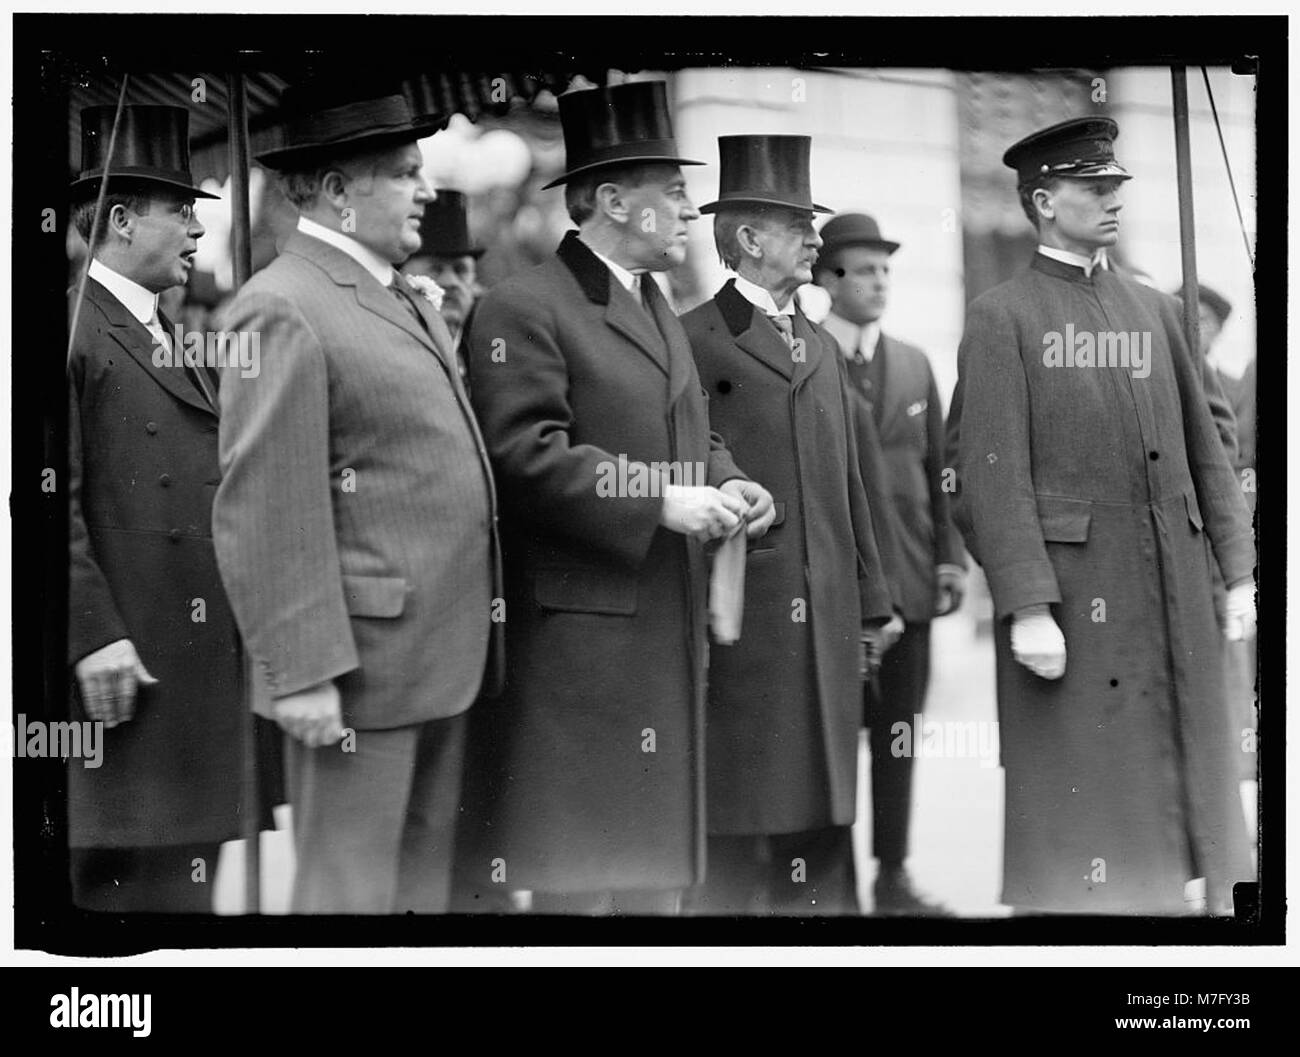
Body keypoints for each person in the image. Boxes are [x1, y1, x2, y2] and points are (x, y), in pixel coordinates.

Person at [460, 81, 774, 915]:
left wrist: (729, 478)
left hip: (659, 631)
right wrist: (659, 502)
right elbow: (522, 453)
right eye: (671, 192)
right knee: (579, 882)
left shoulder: (651, 300)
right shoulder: (523, 306)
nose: (686, 210)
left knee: (648, 886)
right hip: (581, 650)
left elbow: (689, 430)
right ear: (610, 200)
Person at [945, 117, 1256, 915]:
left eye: (1116, 185)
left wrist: (1238, 570)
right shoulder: (1001, 317)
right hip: (1080, 601)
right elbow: (987, 478)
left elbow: (1207, 450)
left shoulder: (1155, 310)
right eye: (1094, 188)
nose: (1113, 199)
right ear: (1044, 201)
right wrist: (1027, 604)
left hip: (1176, 589)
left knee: (1198, 806)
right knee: (1092, 818)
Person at [211, 84, 501, 914]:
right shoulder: (281, 304)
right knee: (347, 899)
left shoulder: (396, 291)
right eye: (405, 173)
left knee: (416, 896)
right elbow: (264, 504)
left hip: (436, 659)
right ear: (337, 191)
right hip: (356, 676)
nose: (425, 191)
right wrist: (301, 674)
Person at [678, 136, 895, 915]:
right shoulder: (690, 337)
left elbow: (851, 488)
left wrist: (873, 600)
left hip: (829, 618)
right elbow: (684, 455)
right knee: (743, 820)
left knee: (826, 813)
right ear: (748, 239)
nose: (815, 238)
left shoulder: (822, 346)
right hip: (750, 624)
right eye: (799, 223)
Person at [66, 104, 274, 911]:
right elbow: (49, 506)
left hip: (186, 673)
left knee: (182, 895)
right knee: (118, 902)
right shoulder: (75, 333)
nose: (197, 230)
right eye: (180, 211)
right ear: (120, 219)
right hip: (124, 671)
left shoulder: (163, 333)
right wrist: (91, 636)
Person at [814, 212, 966, 915]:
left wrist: (951, 558)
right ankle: (834, 884)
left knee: (900, 737)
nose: (878, 282)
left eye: (884, 270)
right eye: (862, 269)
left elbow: (942, 470)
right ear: (826, 278)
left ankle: (895, 875)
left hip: (909, 583)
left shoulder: (911, 362)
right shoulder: (807, 354)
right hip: (838, 594)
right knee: (834, 740)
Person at [402, 188, 484, 378]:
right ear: (402, 276)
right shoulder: (387, 343)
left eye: (460, 270)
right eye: (435, 269)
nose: (451, 282)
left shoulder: (493, 340)